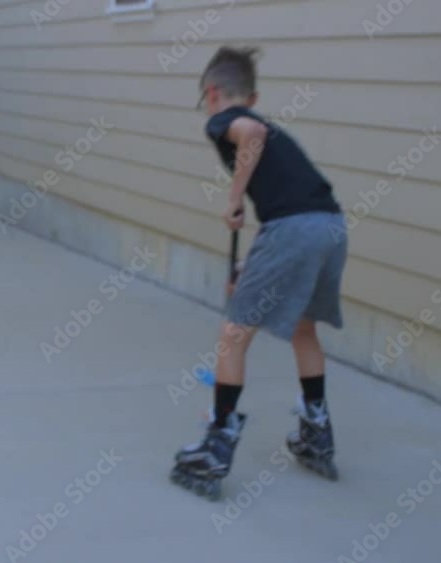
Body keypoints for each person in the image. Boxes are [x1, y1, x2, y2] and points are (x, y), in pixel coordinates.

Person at [170, 46, 348, 498]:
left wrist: (233, 199)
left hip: (292, 229)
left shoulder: (223, 119)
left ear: (213, 93)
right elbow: (294, 209)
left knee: (233, 336)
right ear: (253, 95)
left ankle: (216, 446)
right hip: (329, 227)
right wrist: (255, 266)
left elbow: (248, 135)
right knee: (304, 330)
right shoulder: (270, 126)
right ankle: (317, 432)